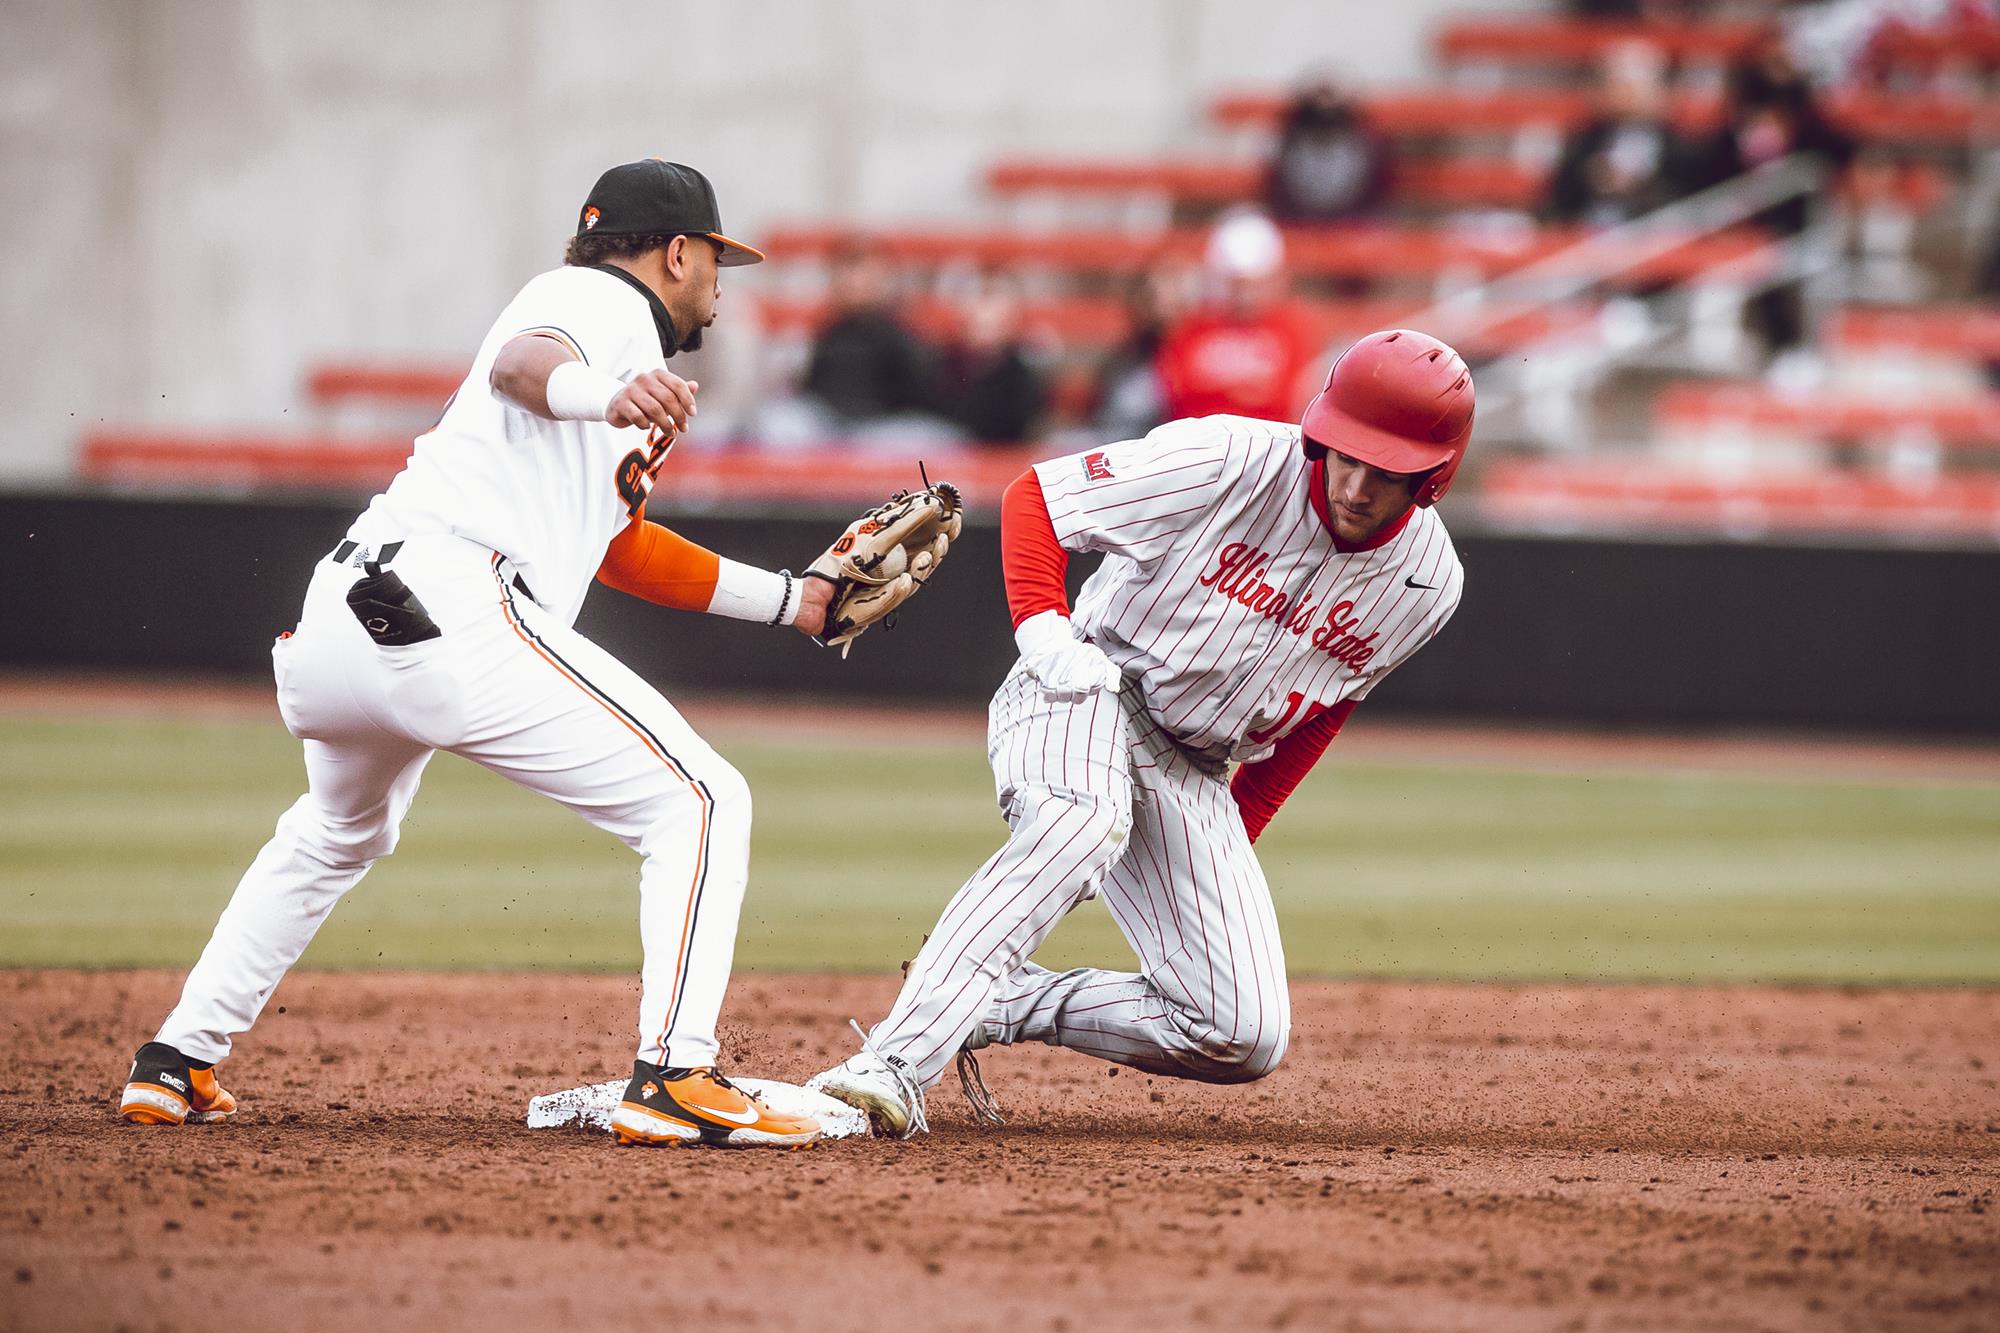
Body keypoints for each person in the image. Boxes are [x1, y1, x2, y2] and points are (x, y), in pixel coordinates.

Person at [118, 160, 835, 1150]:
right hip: (454, 601)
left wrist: (793, 602)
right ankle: (673, 1073)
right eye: (716, 258)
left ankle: (175, 1060)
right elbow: (522, 365)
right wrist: (607, 388)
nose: (720, 279)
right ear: (677, 251)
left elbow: (618, 548)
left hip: (346, 615)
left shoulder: (619, 362)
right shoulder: (593, 298)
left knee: (334, 834)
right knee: (700, 800)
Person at [809, 329, 1472, 1136]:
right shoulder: (1228, 457)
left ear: (1434, 477)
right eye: (1346, 454)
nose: (1358, 484)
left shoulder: (1427, 585)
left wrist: (1230, 845)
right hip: (1088, 682)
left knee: (1240, 1030)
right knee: (1079, 821)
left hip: (1193, 765)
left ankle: (997, 999)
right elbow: (1039, 498)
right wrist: (1046, 637)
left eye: (1388, 471)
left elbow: (1320, 713)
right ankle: (890, 1065)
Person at [1155, 210, 1323, 424]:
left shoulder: (1294, 330)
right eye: (1236, 282)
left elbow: (1294, 401)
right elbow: (1176, 395)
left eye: (1252, 282)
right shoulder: (1191, 330)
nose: (1245, 292)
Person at [1543, 42, 1691, 228]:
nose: (1628, 97)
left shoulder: (1683, 147)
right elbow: (1560, 198)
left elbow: (1691, 198)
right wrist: (1590, 178)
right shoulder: (1584, 141)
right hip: (1589, 235)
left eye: (1637, 88)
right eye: (1619, 86)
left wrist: (1640, 187)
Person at [1263, 75, 1394, 224]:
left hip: (1353, 228)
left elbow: (1378, 195)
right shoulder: (1286, 136)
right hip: (1297, 224)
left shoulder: (1369, 140)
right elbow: (1276, 192)